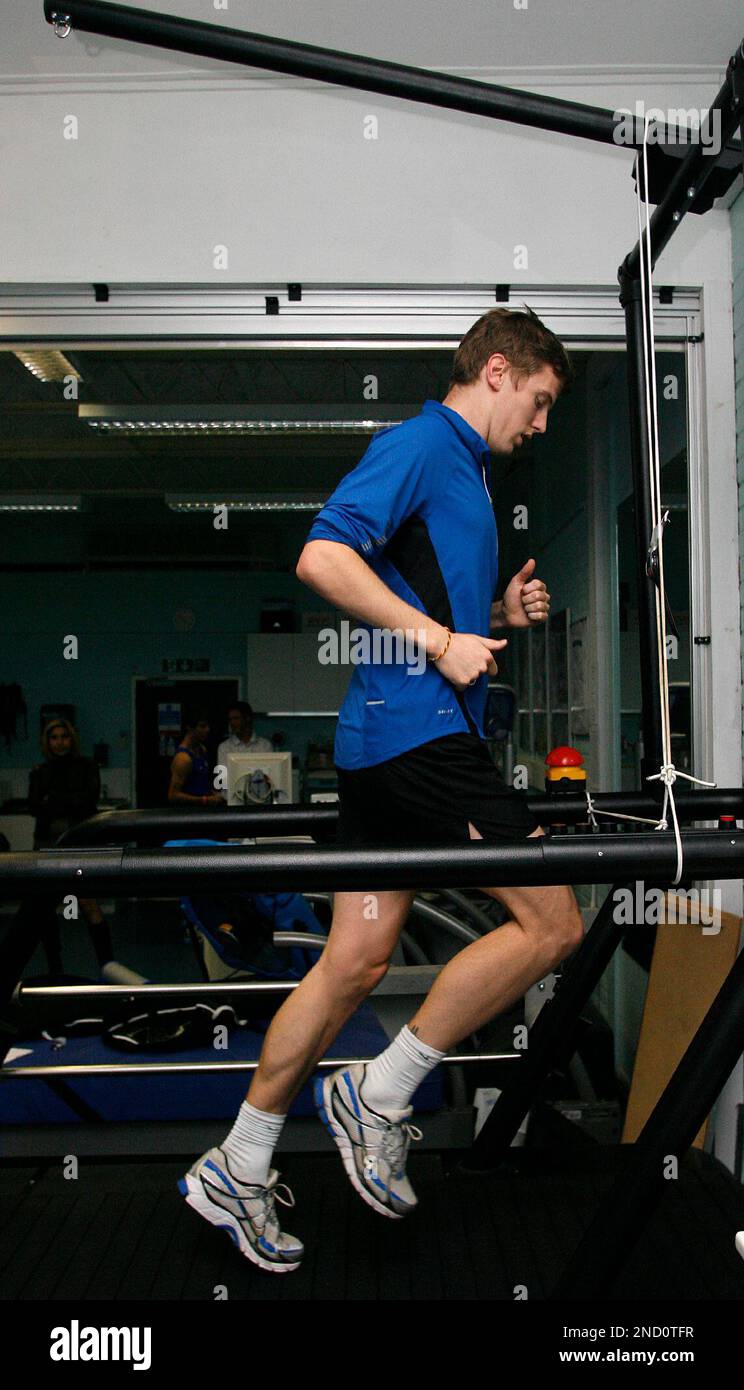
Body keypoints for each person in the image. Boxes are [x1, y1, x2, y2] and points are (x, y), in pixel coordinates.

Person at [180, 306, 584, 1273]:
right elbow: (323, 556)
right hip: (424, 746)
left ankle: (238, 1163)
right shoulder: (421, 444)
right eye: (538, 402)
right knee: (554, 923)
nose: (540, 426)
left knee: (351, 964)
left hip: (380, 751)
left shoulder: (472, 471)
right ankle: (382, 1092)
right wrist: (442, 642)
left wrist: (494, 614)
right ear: (496, 372)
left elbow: (427, 600)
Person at [27, 718, 117, 977]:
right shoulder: (39, 770)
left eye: (63, 736)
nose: (59, 742)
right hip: (46, 843)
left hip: (79, 842)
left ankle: (108, 967)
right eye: (54, 737)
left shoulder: (87, 766)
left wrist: (52, 799)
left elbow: (87, 800)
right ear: (47, 741)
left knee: (88, 903)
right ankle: (55, 970)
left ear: (71, 739)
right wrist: (65, 800)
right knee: (45, 907)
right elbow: (34, 806)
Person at [168, 710, 223, 807]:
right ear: (190, 728)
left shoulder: (202, 749)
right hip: (188, 814)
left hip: (202, 812)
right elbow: (173, 796)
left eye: (207, 726)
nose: (207, 730)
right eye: (202, 726)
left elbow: (199, 782)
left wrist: (213, 794)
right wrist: (204, 800)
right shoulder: (183, 759)